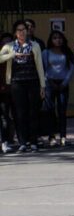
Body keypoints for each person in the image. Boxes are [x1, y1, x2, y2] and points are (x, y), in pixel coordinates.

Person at [0, 20, 44, 152]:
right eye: (19, 30)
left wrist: (43, 85)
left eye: (24, 29)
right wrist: (13, 54)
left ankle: (34, 142)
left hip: (33, 82)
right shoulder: (9, 46)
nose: (21, 32)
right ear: (15, 33)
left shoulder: (34, 45)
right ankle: (23, 142)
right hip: (16, 83)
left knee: (33, 112)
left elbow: (40, 66)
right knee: (20, 113)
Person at [40, 30, 74, 147]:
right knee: (50, 110)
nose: (57, 40)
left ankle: (63, 136)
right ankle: (52, 137)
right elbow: (43, 69)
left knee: (62, 110)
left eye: (59, 38)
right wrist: (47, 82)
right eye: (54, 38)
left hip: (63, 83)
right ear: (51, 40)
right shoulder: (46, 52)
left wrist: (65, 82)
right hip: (50, 83)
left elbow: (71, 68)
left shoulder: (67, 52)